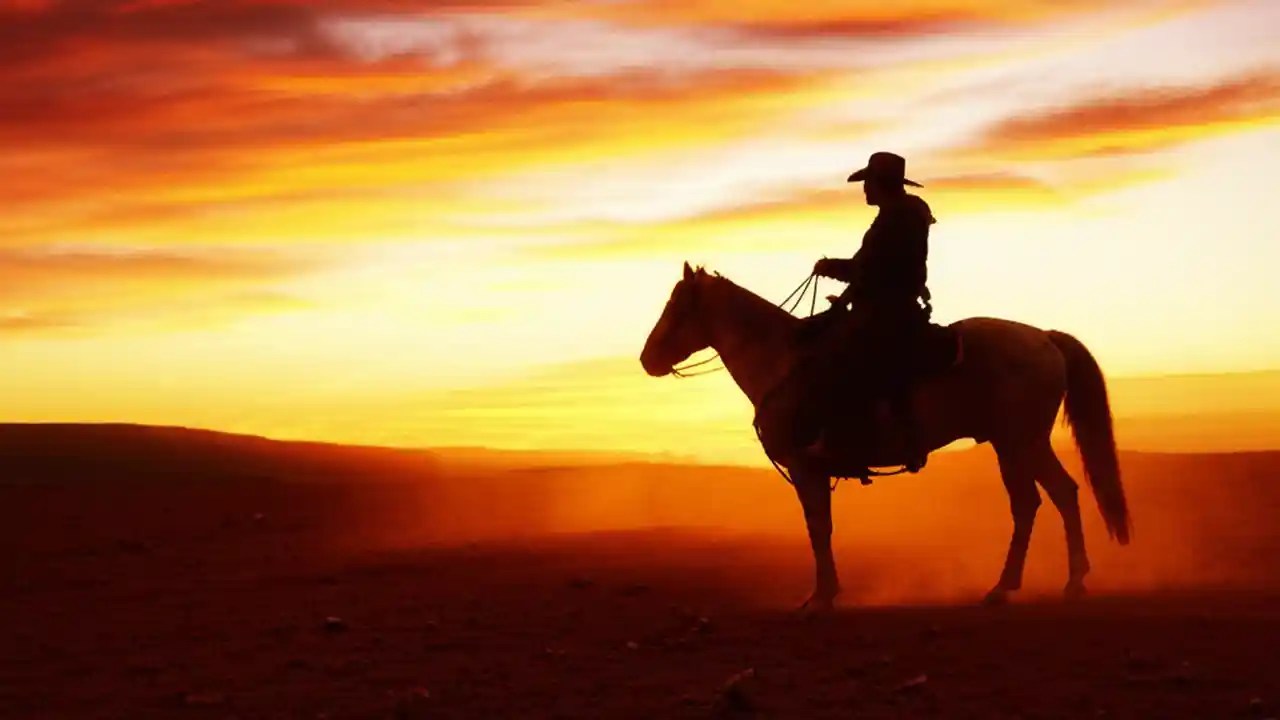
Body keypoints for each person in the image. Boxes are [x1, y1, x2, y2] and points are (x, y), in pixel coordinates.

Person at [810, 151, 936, 472]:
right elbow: (871, 269)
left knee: (843, 362)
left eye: (868, 183)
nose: (864, 190)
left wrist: (831, 267)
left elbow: (871, 270)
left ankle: (857, 444)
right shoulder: (897, 215)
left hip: (890, 312)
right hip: (888, 306)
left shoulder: (898, 219)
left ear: (881, 185)